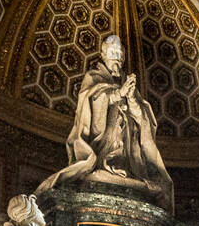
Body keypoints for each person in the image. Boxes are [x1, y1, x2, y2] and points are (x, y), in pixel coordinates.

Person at [36, 33, 174, 211]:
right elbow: (91, 101)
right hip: (103, 149)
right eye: (112, 52)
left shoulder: (128, 83)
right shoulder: (94, 77)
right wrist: (117, 94)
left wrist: (132, 101)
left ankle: (127, 175)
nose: (116, 57)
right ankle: (107, 170)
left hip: (127, 153)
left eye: (119, 54)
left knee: (153, 185)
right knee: (97, 176)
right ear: (103, 55)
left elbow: (144, 122)